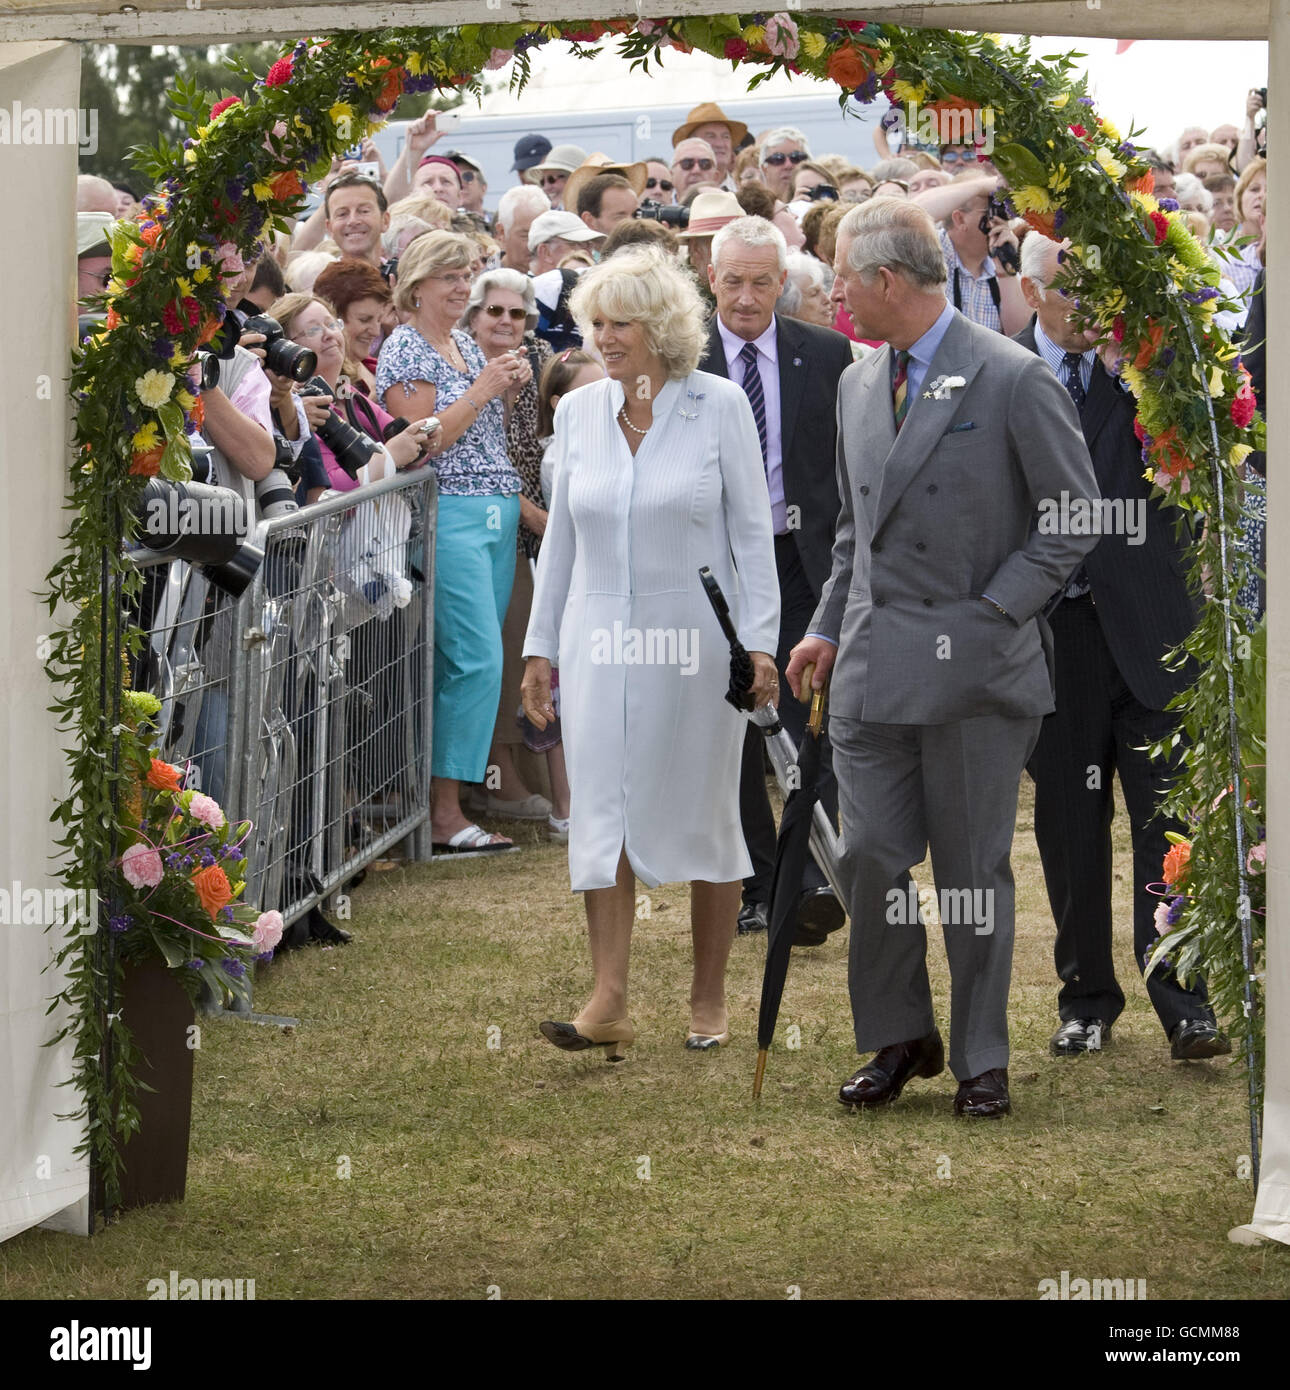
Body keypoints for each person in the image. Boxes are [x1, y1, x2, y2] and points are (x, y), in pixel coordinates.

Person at [787, 198, 1100, 1119]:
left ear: (886, 280)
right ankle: (898, 1035)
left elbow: (1074, 518)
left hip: (975, 674)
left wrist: (996, 609)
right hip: (871, 670)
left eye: (842, 274)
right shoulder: (856, 382)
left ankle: (980, 1056)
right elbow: (855, 532)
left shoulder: (1010, 375)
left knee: (969, 872)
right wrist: (827, 626)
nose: (834, 291)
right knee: (874, 856)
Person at [521, 246, 780, 1056]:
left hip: (698, 642)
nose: (603, 337)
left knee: (705, 814)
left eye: (620, 322)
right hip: (596, 640)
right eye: (595, 321)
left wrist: (762, 644)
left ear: (661, 328)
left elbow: (751, 536)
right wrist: (538, 649)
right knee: (601, 812)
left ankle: (709, 998)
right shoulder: (578, 412)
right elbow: (559, 541)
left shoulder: (720, 405)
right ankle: (609, 1000)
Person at [1015, 233, 1230, 1063]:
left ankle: (1185, 997)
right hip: (1055, 637)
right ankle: (1085, 1000)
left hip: (1152, 629)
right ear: (1030, 295)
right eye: (1068, 290)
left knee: (1167, 821)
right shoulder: (1007, 377)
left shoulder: (1152, 369)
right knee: (1070, 826)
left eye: (1100, 288)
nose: (1087, 306)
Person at [699, 215, 854, 946]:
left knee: (804, 716)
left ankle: (810, 875)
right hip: (714, 571)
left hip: (802, 561)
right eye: (734, 280)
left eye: (763, 281)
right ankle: (758, 884)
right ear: (711, 281)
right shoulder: (680, 360)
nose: (747, 296)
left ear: (783, 284)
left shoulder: (827, 354)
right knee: (731, 727)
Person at [376, 231, 531, 855]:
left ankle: (449, 807)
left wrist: (504, 389)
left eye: (467, 274)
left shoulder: (465, 342)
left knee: (471, 662)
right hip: (450, 513)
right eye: (450, 277)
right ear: (418, 286)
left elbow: (478, 428)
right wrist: (486, 391)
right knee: (476, 661)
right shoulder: (403, 349)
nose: (463, 286)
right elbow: (425, 439)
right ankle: (444, 814)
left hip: (493, 511)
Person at [461, 269, 566, 835]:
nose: (505, 323)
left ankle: (517, 777)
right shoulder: (460, 364)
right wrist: (533, 515)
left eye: (517, 313)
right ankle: (496, 776)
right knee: (498, 651)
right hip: (489, 524)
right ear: (473, 316)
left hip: (529, 532)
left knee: (523, 646)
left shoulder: (540, 357)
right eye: (494, 311)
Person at [313, 257, 394, 397]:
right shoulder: (315, 383)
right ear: (332, 316)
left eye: (379, 319)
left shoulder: (379, 369)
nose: (375, 331)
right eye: (364, 320)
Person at [528, 210, 605, 351]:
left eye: (589, 245)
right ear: (545, 252)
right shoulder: (519, 297)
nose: (588, 253)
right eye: (577, 245)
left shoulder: (595, 294)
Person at [671, 102, 747, 188]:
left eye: (726, 137)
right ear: (692, 142)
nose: (720, 144)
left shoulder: (743, 194)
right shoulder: (667, 196)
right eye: (711, 136)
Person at [494, 184, 550, 273]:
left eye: (543, 235)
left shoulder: (561, 282)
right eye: (526, 236)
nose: (537, 244)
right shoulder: (485, 284)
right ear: (502, 233)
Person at [529, 144, 587, 211]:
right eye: (542, 182)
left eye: (551, 180)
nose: (546, 187)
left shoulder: (594, 214)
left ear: (573, 180)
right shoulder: (544, 216)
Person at [759, 127, 811, 201]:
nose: (788, 165)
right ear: (764, 169)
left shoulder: (819, 207)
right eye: (778, 159)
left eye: (796, 157)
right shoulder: (751, 209)